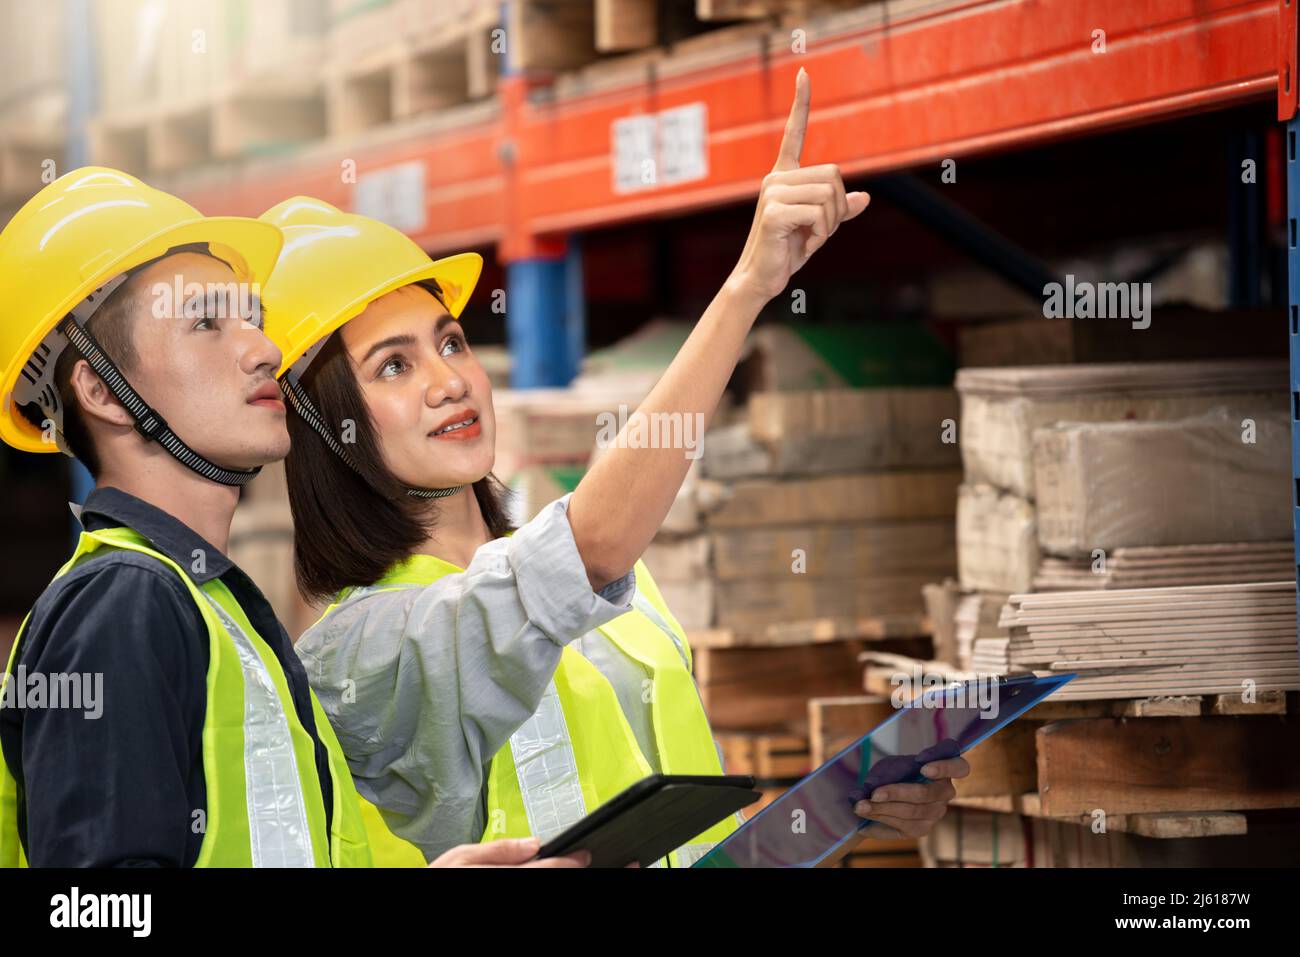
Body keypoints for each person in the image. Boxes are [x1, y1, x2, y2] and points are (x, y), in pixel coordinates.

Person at [263, 70, 970, 867]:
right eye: (394, 367)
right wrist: (746, 288)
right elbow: (577, 554)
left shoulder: (624, 593)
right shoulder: (358, 654)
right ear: (327, 428)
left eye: (451, 341)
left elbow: (685, 838)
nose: (449, 379)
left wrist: (849, 810)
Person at [0, 166, 583, 869]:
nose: (263, 349)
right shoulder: (122, 602)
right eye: (207, 323)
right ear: (103, 390)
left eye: (250, 317)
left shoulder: (212, 608)